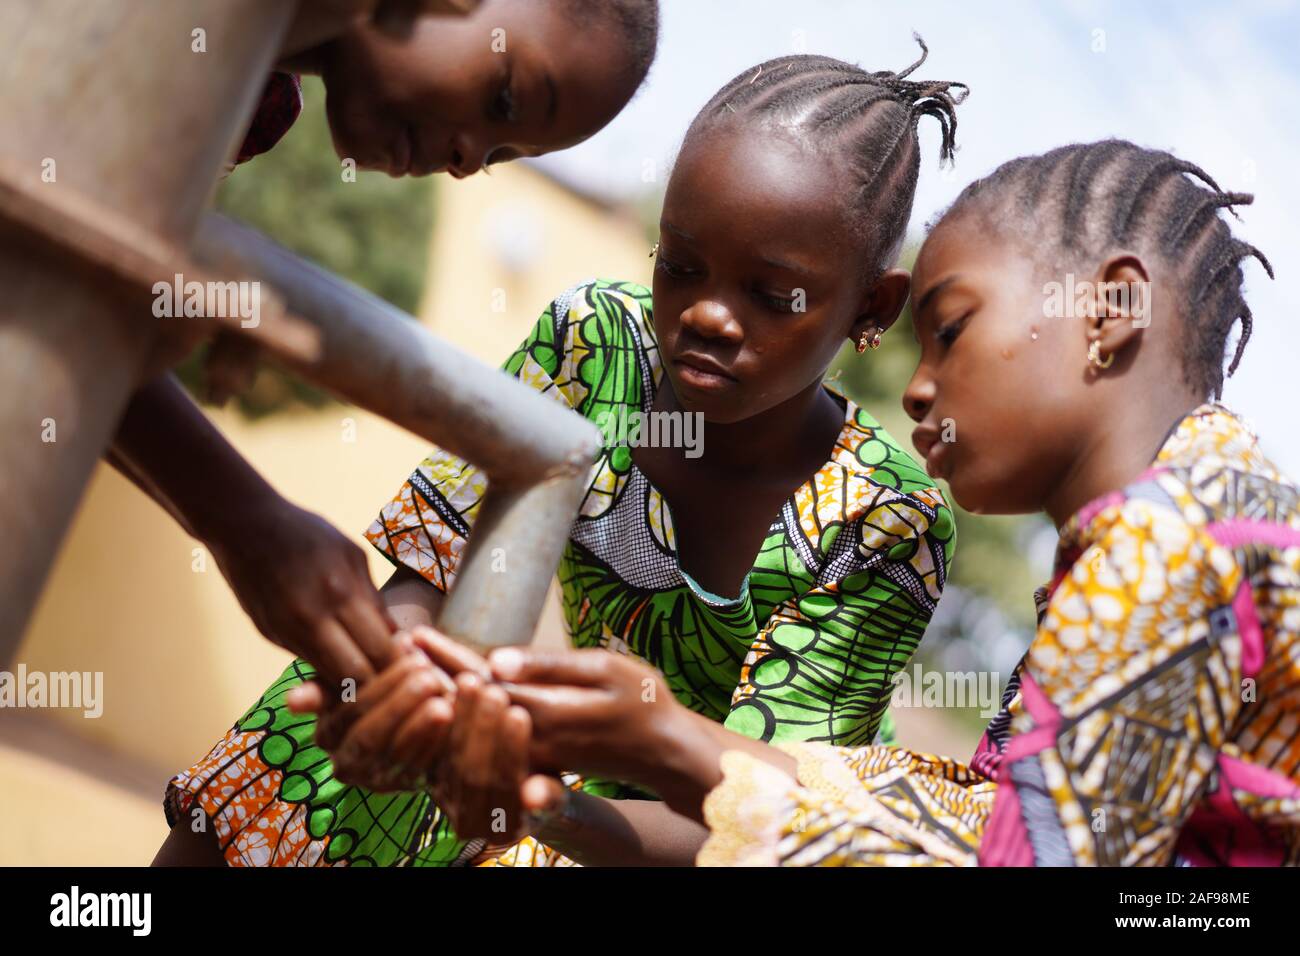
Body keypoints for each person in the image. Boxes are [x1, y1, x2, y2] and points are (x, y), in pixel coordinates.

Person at [359, 139, 1298, 867]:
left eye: (952, 330)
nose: (919, 389)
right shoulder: (1196, 524)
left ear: (1109, 312)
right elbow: (978, 820)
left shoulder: (1167, 545)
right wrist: (621, 757)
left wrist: (663, 739)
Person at [155, 42, 967, 866]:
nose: (708, 316)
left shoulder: (886, 522)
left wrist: (533, 807)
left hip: (697, 828)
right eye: (681, 266)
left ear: (873, 304)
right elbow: (434, 573)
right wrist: (398, 692)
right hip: (555, 763)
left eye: (769, 294)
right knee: (336, 735)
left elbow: (768, 824)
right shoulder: (595, 343)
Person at [112, 0, 662, 689]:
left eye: (498, 157)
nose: (467, 161)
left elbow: (61, 299)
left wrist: (242, 517)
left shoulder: (260, 103)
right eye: (503, 97)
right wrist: (239, 515)